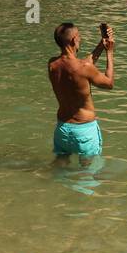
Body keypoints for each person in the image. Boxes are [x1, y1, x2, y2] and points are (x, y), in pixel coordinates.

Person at [48, 22, 114, 164]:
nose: (80, 39)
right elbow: (109, 83)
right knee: (87, 177)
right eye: (79, 36)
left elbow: (81, 66)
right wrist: (109, 52)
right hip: (84, 131)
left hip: (62, 130)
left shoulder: (52, 65)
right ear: (73, 40)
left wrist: (101, 45)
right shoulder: (84, 67)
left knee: (60, 170)